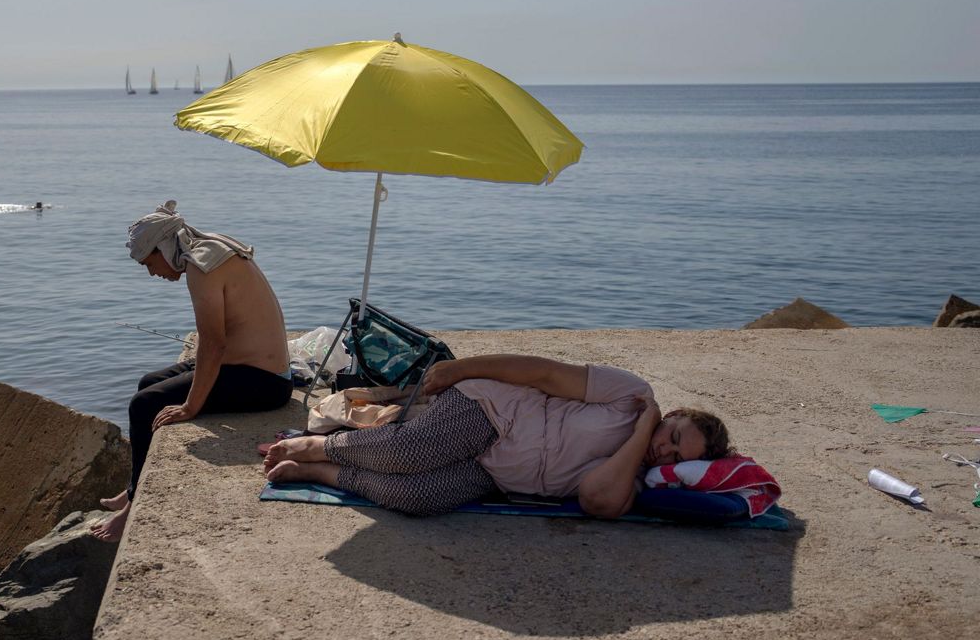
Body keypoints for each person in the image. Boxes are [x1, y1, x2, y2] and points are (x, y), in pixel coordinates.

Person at [262, 354, 732, 518]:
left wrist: (643, 436)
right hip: (496, 412)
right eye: (671, 432)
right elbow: (544, 374)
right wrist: (462, 368)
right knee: (411, 449)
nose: (663, 447)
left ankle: (325, 471)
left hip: (497, 474)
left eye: (673, 454)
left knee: (418, 498)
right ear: (672, 414)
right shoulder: (631, 394)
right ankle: (319, 444)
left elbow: (597, 501)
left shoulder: (634, 477)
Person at [93, 200, 292, 541]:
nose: (152, 272)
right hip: (249, 365)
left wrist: (190, 407)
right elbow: (216, 340)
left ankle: (134, 508)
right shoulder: (209, 247)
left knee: (144, 404)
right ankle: (132, 489)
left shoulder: (202, 266)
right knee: (149, 383)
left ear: (163, 247)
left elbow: (214, 345)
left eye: (148, 262)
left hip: (264, 381)